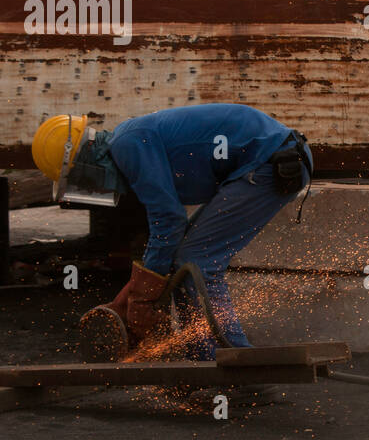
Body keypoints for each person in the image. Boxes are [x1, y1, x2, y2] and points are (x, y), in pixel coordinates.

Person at [32, 103, 312, 360]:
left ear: (85, 159)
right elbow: (169, 230)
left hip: (271, 161)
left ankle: (237, 368)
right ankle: (203, 362)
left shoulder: (127, 145)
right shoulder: (127, 141)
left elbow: (168, 219)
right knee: (185, 260)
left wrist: (143, 296)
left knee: (197, 262)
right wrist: (132, 296)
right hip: (269, 159)